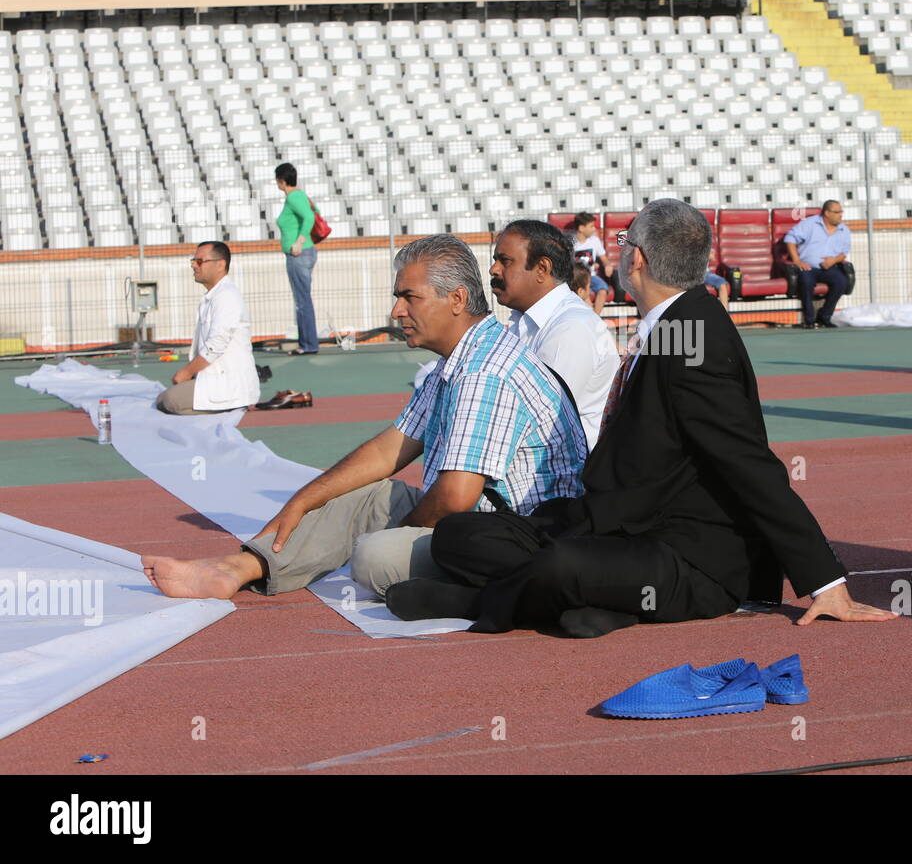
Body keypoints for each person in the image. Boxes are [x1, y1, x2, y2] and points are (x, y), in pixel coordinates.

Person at [382, 199, 899, 638]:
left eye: (626, 239)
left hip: (688, 557)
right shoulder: (671, 324)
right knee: (462, 535)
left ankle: (484, 606)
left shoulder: (694, 339)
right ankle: (584, 605)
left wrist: (825, 582)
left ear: (637, 260)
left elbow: (748, 463)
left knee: (564, 565)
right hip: (621, 523)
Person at [142, 235, 587, 601]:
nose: (396, 312)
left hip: (520, 538)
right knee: (364, 494)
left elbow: (454, 497)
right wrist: (304, 498)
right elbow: (389, 448)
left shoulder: (484, 371)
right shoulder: (462, 358)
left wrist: (400, 533)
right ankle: (236, 567)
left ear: (457, 299)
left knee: (374, 557)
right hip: (485, 523)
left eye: (408, 297)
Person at [490, 219, 619, 451]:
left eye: (505, 261)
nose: (494, 269)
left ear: (542, 269)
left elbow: (532, 420)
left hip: (570, 480)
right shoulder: (528, 320)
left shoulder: (571, 328)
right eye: (495, 260)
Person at [155, 241, 261, 415]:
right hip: (215, 378)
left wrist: (186, 372)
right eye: (193, 261)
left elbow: (217, 343)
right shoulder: (215, 296)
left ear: (220, 265)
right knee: (162, 400)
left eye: (199, 261)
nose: (193, 265)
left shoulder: (227, 296)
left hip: (227, 383)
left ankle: (228, 408)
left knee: (169, 401)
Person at [274, 162, 319, 356]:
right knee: (302, 299)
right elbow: (313, 212)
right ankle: (307, 342)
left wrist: (299, 242)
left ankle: (308, 344)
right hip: (302, 254)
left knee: (302, 300)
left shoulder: (293, 197)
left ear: (281, 181)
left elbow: (309, 217)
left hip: (299, 254)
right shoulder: (299, 196)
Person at [784, 200, 850, 328]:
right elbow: (790, 239)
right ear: (827, 213)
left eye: (841, 212)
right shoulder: (810, 224)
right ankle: (809, 319)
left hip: (830, 267)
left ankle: (824, 316)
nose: (840, 215)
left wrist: (833, 260)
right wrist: (797, 261)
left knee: (841, 282)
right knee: (806, 281)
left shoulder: (844, 230)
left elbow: (844, 253)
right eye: (837, 212)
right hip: (808, 267)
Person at [569, 212, 612, 315]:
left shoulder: (594, 241)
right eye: (591, 226)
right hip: (578, 277)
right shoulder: (571, 243)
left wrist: (607, 265)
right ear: (582, 228)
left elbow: (604, 258)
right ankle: (591, 318)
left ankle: (595, 317)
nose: (594, 229)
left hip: (592, 276)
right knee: (585, 293)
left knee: (603, 289)